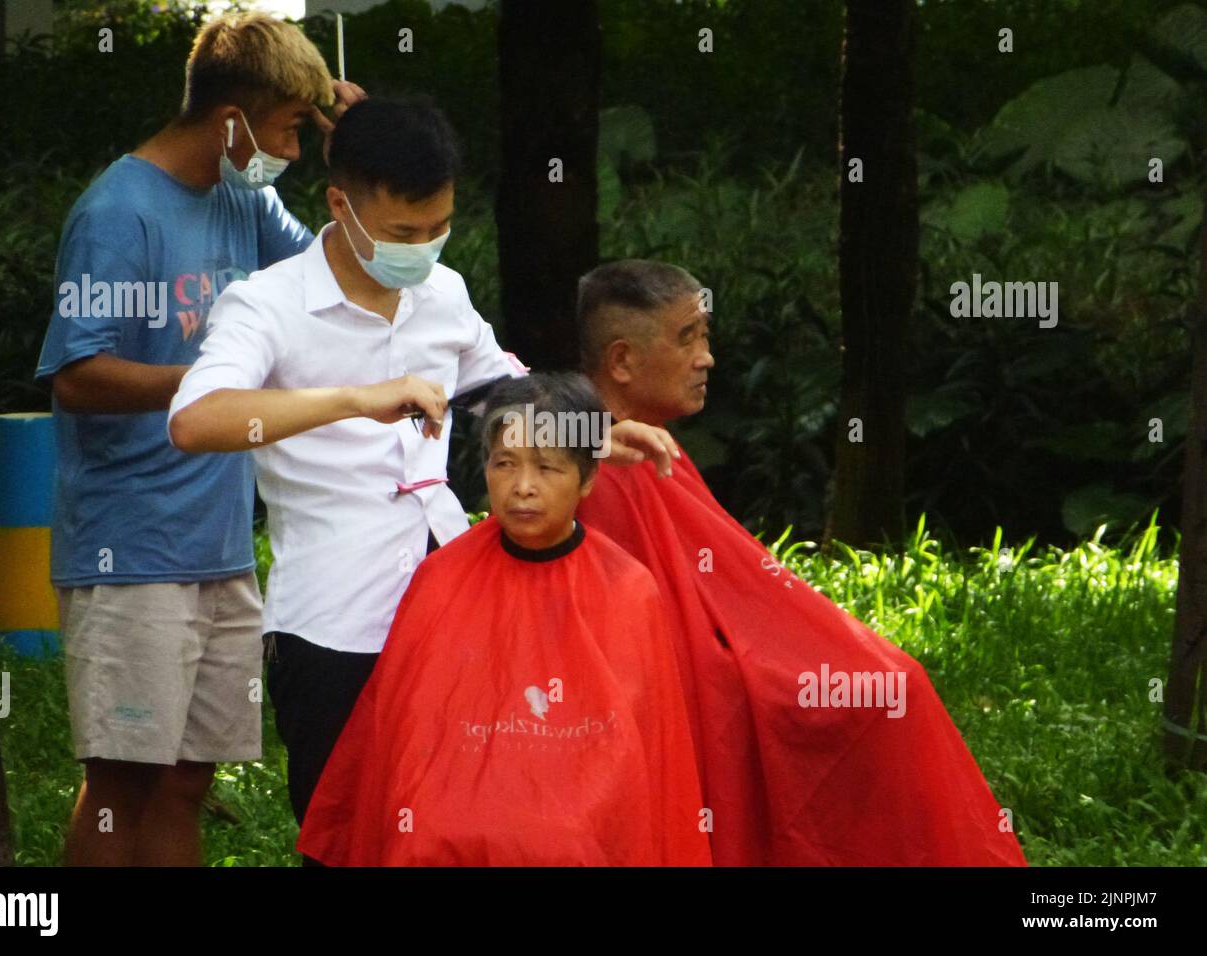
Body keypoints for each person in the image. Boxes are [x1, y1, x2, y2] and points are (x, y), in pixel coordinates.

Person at [167, 99, 678, 854]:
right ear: (340, 204)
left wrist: (592, 426)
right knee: (345, 829)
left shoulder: (444, 295)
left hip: (458, 606)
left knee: (458, 814)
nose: (424, 247)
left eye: (439, 227)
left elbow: (502, 392)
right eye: (405, 233)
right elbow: (194, 419)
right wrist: (354, 399)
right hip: (335, 624)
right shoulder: (268, 305)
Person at [34, 11, 362, 866]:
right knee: (122, 783)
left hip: (218, 544)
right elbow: (76, 374)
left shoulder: (240, 195)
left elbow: (337, 266)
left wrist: (354, 153)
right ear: (231, 122)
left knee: (186, 781)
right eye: (289, 127)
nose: (290, 149)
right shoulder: (118, 212)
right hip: (131, 549)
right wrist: (209, 385)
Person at [574, 259, 1029, 866]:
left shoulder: (650, 442)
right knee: (886, 696)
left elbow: (727, 589)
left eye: (706, 336)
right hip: (684, 693)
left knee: (893, 683)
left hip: (727, 662)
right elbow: (662, 646)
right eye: (688, 339)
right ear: (623, 361)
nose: (707, 357)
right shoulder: (597, 468)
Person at [297, 374, 712, 866]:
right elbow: (405, 743)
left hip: (576, 821)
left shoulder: (628, 588)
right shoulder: (441, 579)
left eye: (547, 468)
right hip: (448, 820)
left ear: (588, 478)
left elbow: (637, 760)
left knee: (561, 844)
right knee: (423, 835)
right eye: (505, 464)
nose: (523, 488)